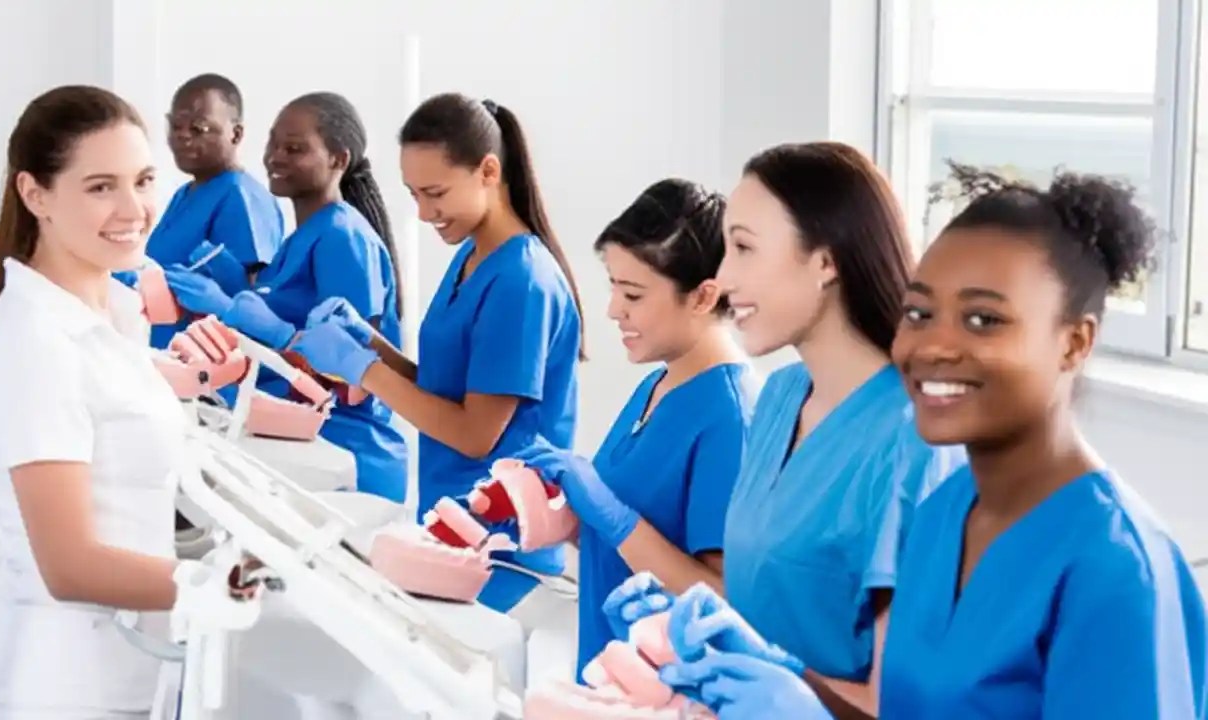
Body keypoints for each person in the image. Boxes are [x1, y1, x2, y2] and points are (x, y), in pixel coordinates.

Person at [656, 165, 1208, 720]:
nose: (935, 346)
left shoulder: (1117, 569)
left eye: (983, 319)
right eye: (920, 313)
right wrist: (776, 673)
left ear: (1074, 342)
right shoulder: (946, 514)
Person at [597, 142, 967, 712]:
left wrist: (785, 679)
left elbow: (910, 700)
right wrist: (689, 642)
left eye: (744, 248)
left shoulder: (915, 439)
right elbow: (758, 602)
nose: (721, 277)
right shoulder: (779, 397)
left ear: (826, 260)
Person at [290, 92, 584, 616]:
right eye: (413, 195)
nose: (425, 213)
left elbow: (475, 434)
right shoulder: (474, 256)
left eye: (435, 193)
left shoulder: (522, 279)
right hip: (453, 533)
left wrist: (365, 369)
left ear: (488, 172)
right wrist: (367, 340)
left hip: (500, 550)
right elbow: (444, 388)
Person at [0, 85, 193, 718]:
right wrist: (224, 587)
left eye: (144, 180)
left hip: (124, 667)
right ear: (35, 194)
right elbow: (67, 564)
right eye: (101, 187)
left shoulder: (108, 311)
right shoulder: (37, 340)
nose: (135, 208)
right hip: (67, 682)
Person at [514, 178, 756, 678]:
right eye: (613, 288)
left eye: (633, 294)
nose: (612, 310)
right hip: (607, 677)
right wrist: (562, 517)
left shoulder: (731, 416)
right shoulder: (658, 383)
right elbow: (627, 541)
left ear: (704, 296)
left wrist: (615, 517)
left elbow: (723, 604)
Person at [164, 91, 408, 502]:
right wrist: (235, 290)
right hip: (303, 443)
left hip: (349, 451)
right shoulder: (302, 238)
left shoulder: (342, 237)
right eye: (272, 144)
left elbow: (355, 380)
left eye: (294, 148)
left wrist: (244, 314)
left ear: (338, 159)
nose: (275, 157)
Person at [139, 73, 284, 350]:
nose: (182, 136)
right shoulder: (185, 194)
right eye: (176, 126)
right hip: (170, 358)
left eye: (198, 128)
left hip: (214, 372)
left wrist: (223, 306)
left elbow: (258, 303)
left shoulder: (241, 196)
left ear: (236, 133)